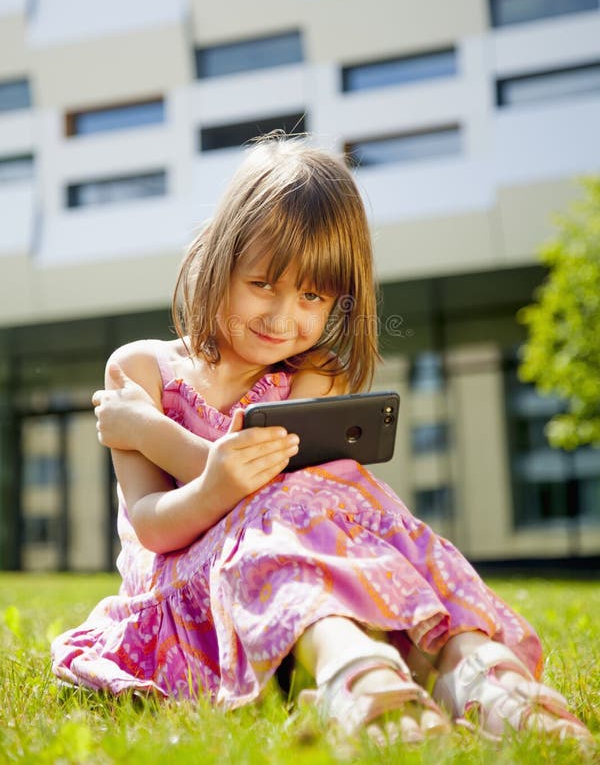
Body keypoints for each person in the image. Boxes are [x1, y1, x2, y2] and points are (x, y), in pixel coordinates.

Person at [51, 135, 592, 748]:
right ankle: (351, 670)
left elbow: (278, 495)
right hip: (194, 596)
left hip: (308, 570)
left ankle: (477, 670)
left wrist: (154, 435)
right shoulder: (141, 371)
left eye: (312, 296)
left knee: (335, 495)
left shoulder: (312, 373)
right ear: (218, 260)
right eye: (262, 283)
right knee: (278, 505)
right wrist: (211, 478)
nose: (283, 318)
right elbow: (154, 527)